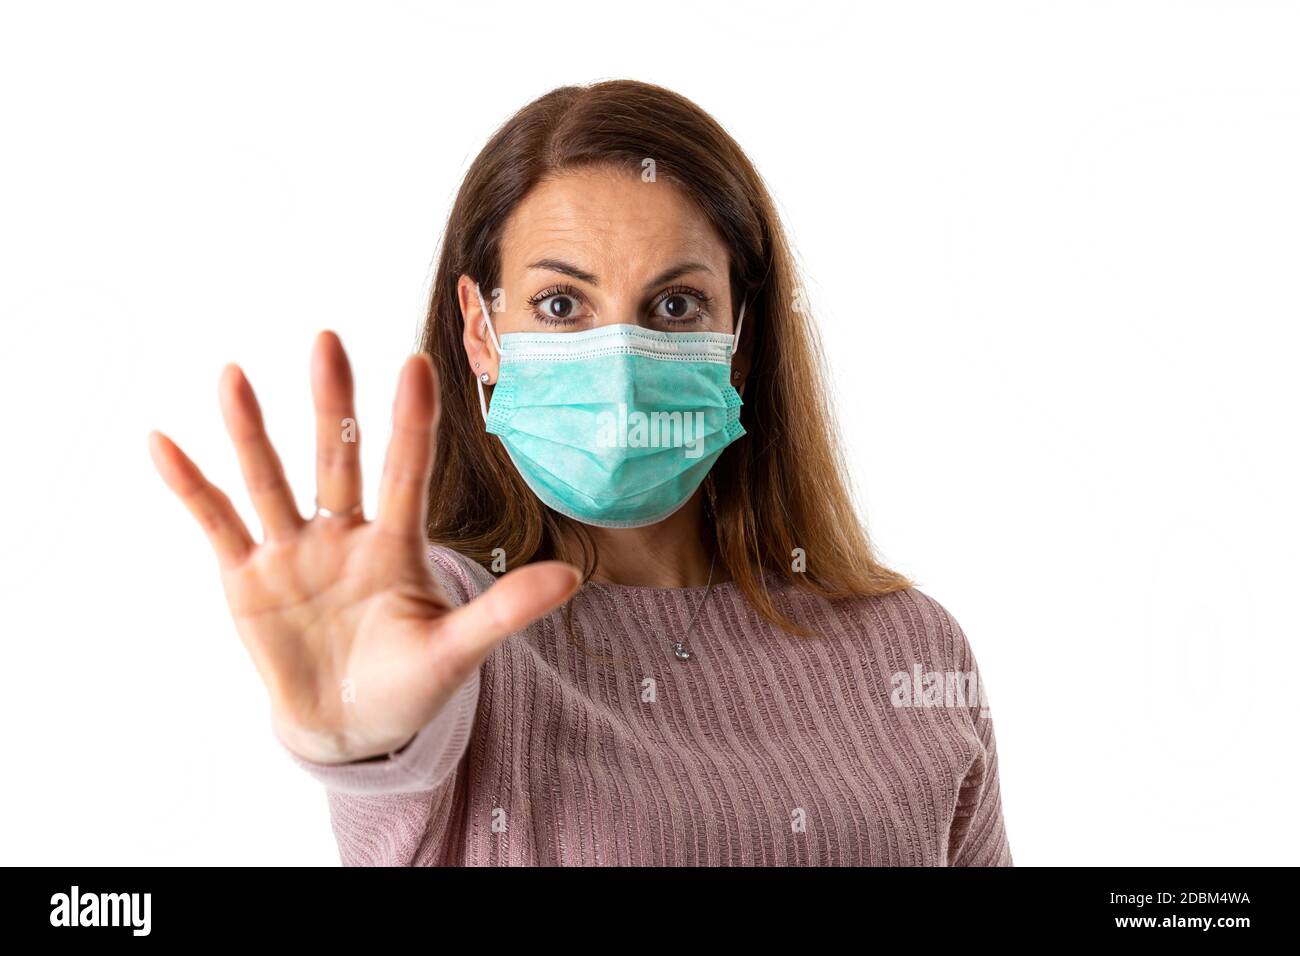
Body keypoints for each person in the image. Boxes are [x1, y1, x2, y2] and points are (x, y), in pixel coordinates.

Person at [148, 79, 1012, 866]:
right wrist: (359, 727)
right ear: (482, 332)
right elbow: (397, 715)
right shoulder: (451, 624)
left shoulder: (912, 647)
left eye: (675, 306)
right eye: (562, 306)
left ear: (741, 338)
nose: (622, 366)